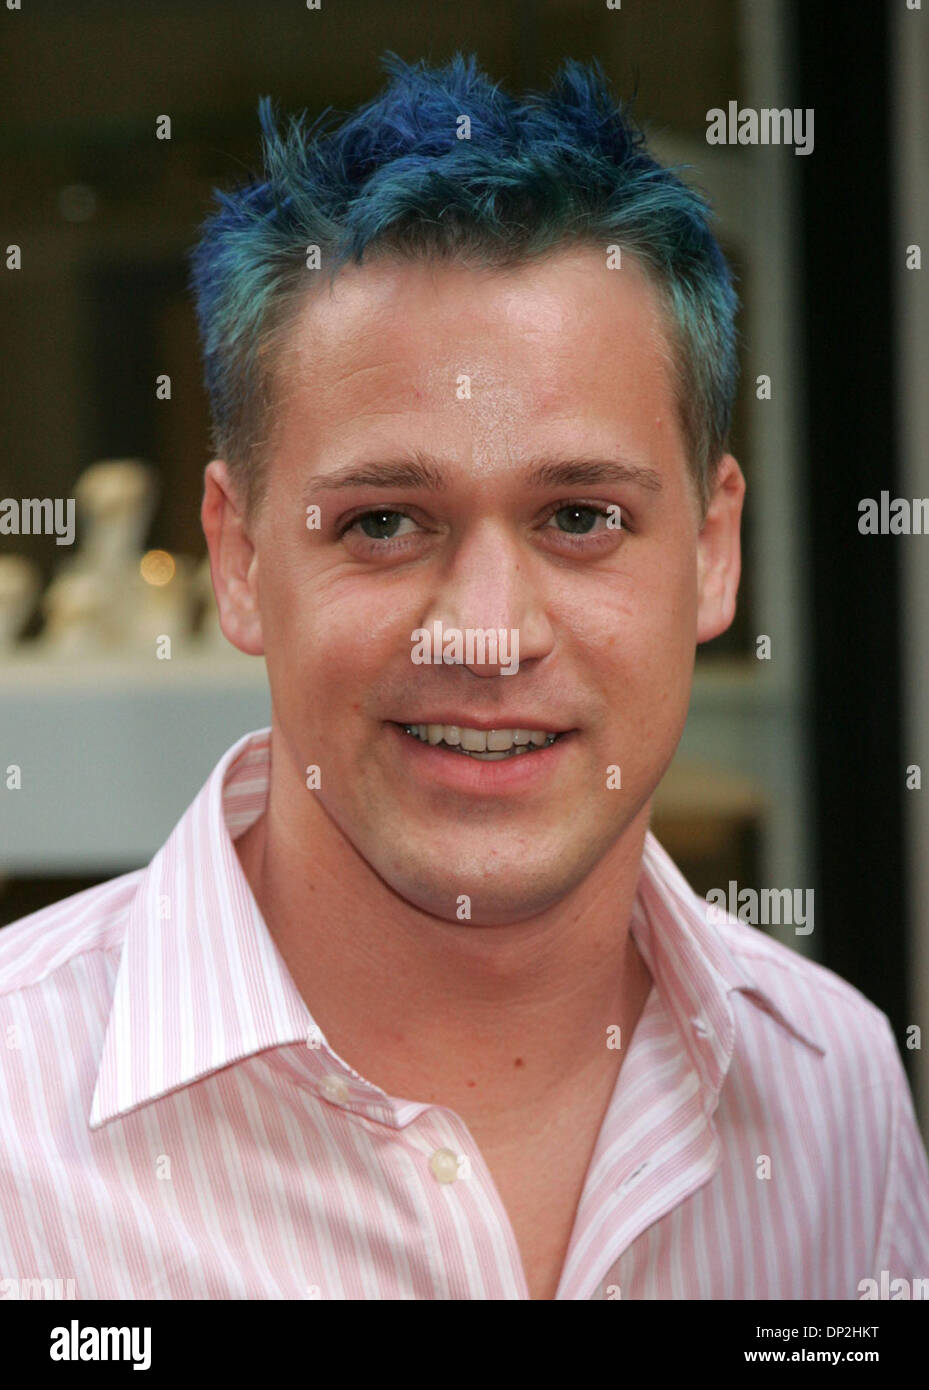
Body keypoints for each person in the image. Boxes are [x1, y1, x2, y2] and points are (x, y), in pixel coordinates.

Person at [1, 53, 927, 1302]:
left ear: (712, 554)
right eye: (384, 523)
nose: (486, 636)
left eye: (581, 516)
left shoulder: (836, 1090)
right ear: (237, 557)